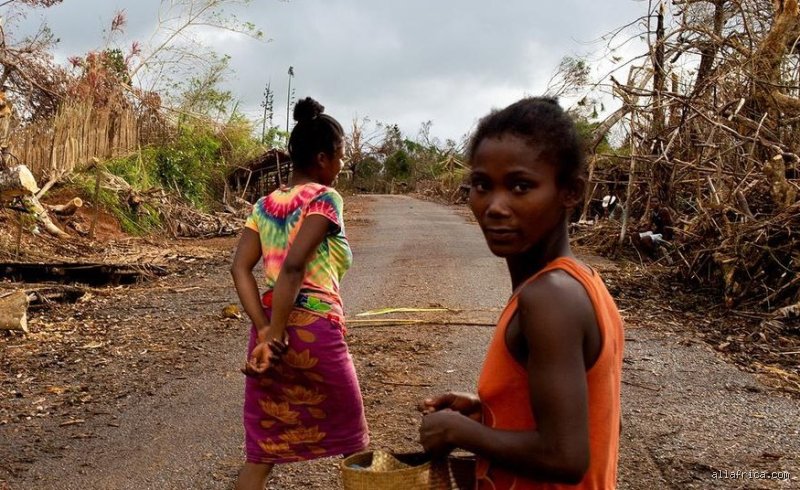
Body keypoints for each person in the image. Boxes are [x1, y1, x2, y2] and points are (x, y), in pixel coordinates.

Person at [419, 97, 624, 489]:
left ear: (570, 192)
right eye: (482, 185)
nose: (495, 206)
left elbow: (566, 457)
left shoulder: (550, 298)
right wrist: (488, 413)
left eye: (520, 186)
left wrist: (458, 433)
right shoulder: (580, 281)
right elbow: (595, 416)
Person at [230, 97, 369, 490]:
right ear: (323, 158)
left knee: (262, 452)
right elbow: (294, 265)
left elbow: (240, 267)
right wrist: (276, 330)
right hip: (316, 331)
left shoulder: (263, 205)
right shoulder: (325, 199)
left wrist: (267, 330)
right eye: (341, 156)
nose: (342, 166)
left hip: (268, 336)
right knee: (354, 444)